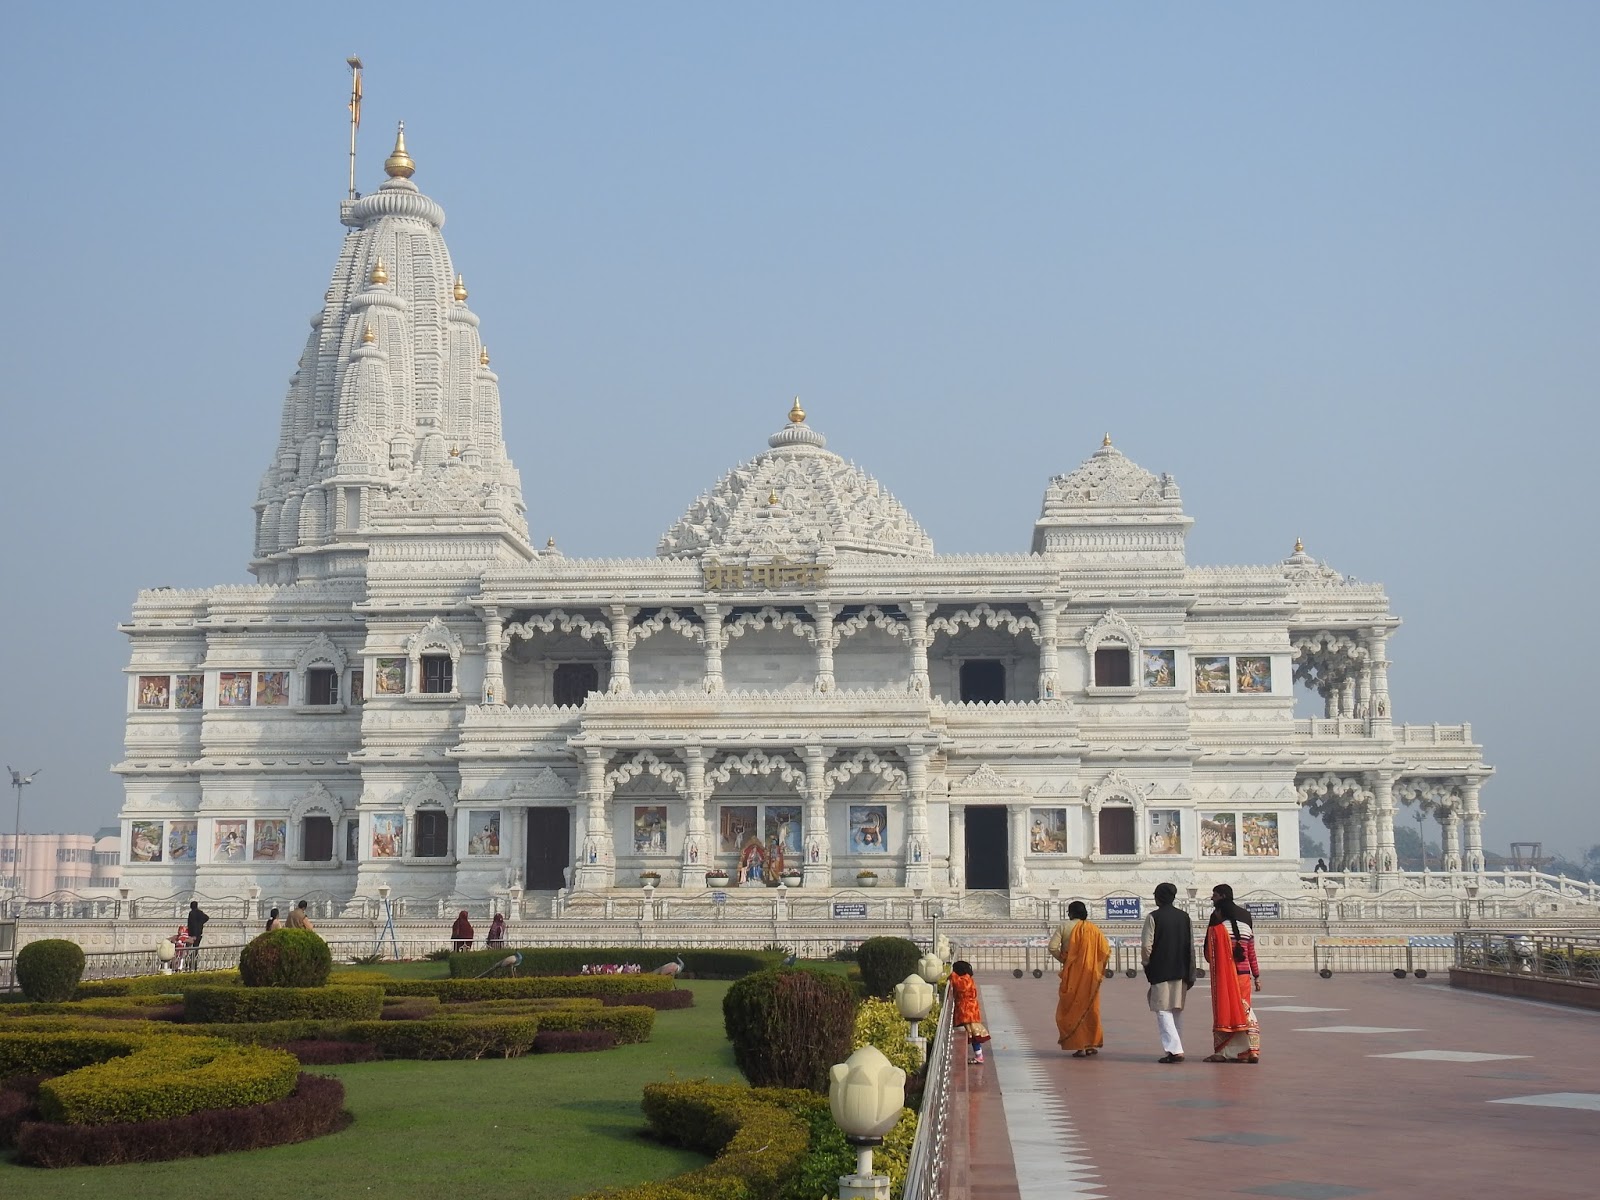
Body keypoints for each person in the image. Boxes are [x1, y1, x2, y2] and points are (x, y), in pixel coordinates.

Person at [1203, 883, 1261, 1063]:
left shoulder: (1218, 926)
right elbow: (1251, 952)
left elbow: (1208, 954)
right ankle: (1250, 1050)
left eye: (1214, 896)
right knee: (1244, 1011)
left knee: (1226, 1013)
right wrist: (1257, 976)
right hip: (1244, 975)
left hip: (1225, 977)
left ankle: (1223, 1052)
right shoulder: (1246, 922)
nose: (1212, 899)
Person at [1141, 882, 1196, 1064]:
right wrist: (1191, 971)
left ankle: (1175, 1049)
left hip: (1161, 969)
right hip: (1181, 969)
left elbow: (1146, 946)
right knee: (1176, 1009)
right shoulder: (1184, 917)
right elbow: (1190, 945)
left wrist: (1147, 964)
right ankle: (1175, 1047)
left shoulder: (1153, 917)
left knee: (1162, 1009)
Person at [1048, 900, 1111, 1057]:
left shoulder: (1065, 926)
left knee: (1071, 1008)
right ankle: (1090, 1044)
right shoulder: (1094, 930)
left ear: (1070, 913)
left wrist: (1065, 960)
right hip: (1090, 976)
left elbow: (1052, 947)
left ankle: (1079, 1045)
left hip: (1072, 975)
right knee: (1090, 1008)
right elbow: (1105, 950)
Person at [948, 960, 991, 1065]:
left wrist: (952, 976)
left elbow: (960, 986)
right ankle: (978, 1055)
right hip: (968, 1009)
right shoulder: (967, 978)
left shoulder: (965, 980)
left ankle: (978, 1056)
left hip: (968, 1010)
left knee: (974, 1034)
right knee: (972, 1034)